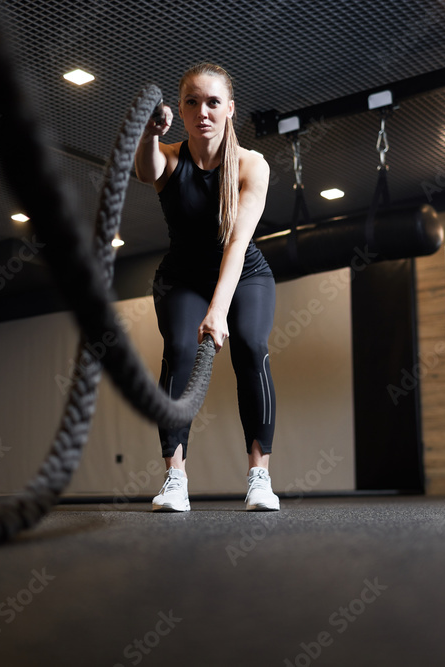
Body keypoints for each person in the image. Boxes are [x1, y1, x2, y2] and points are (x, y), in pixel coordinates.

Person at [134, 62, 280, 512]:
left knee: (251, 348)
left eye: (214, 102)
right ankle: (175, 478)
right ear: (180, 108)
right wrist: (149, 133)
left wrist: (218, 310)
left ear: (230, 109)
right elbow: (144, 169)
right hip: (181, 279)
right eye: (193, 102)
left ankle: (260, 477)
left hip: (245, 274)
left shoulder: (251, 165)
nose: (203, 111)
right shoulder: (170, 158)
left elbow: (237, 243)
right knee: (179, 350)